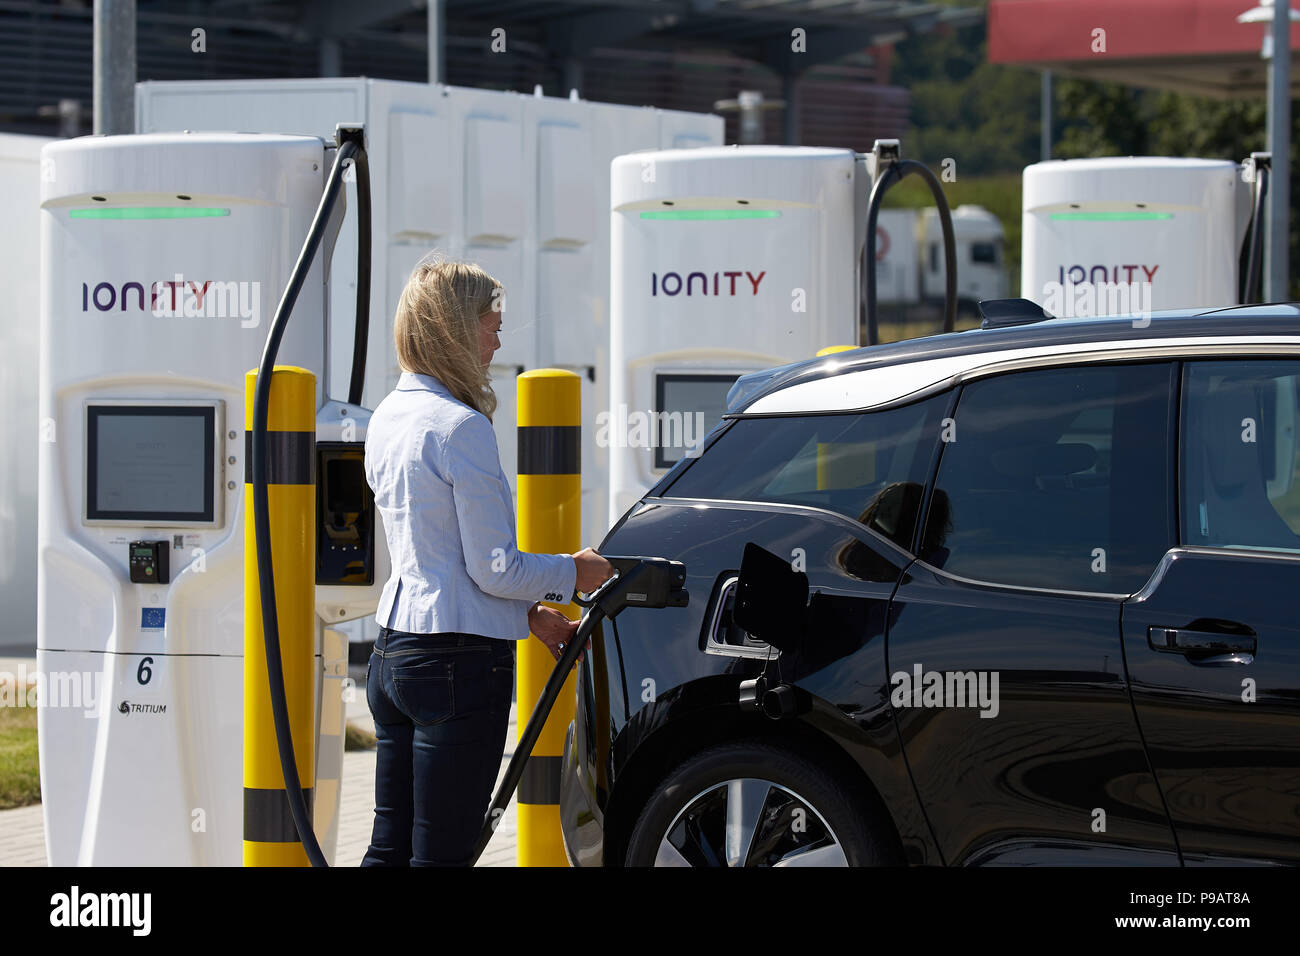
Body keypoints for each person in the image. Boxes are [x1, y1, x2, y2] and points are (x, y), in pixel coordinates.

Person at [360, 256, 614, 866]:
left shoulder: (386, 419)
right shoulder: (460, 428)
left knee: (388, 848)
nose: (500, 335)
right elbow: (491, 566)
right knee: (442, 856)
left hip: (393, 653)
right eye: (490, 321)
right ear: (453, 328)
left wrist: (530, 617)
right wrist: (571, 575)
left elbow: (436, 553)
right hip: (457, 667)